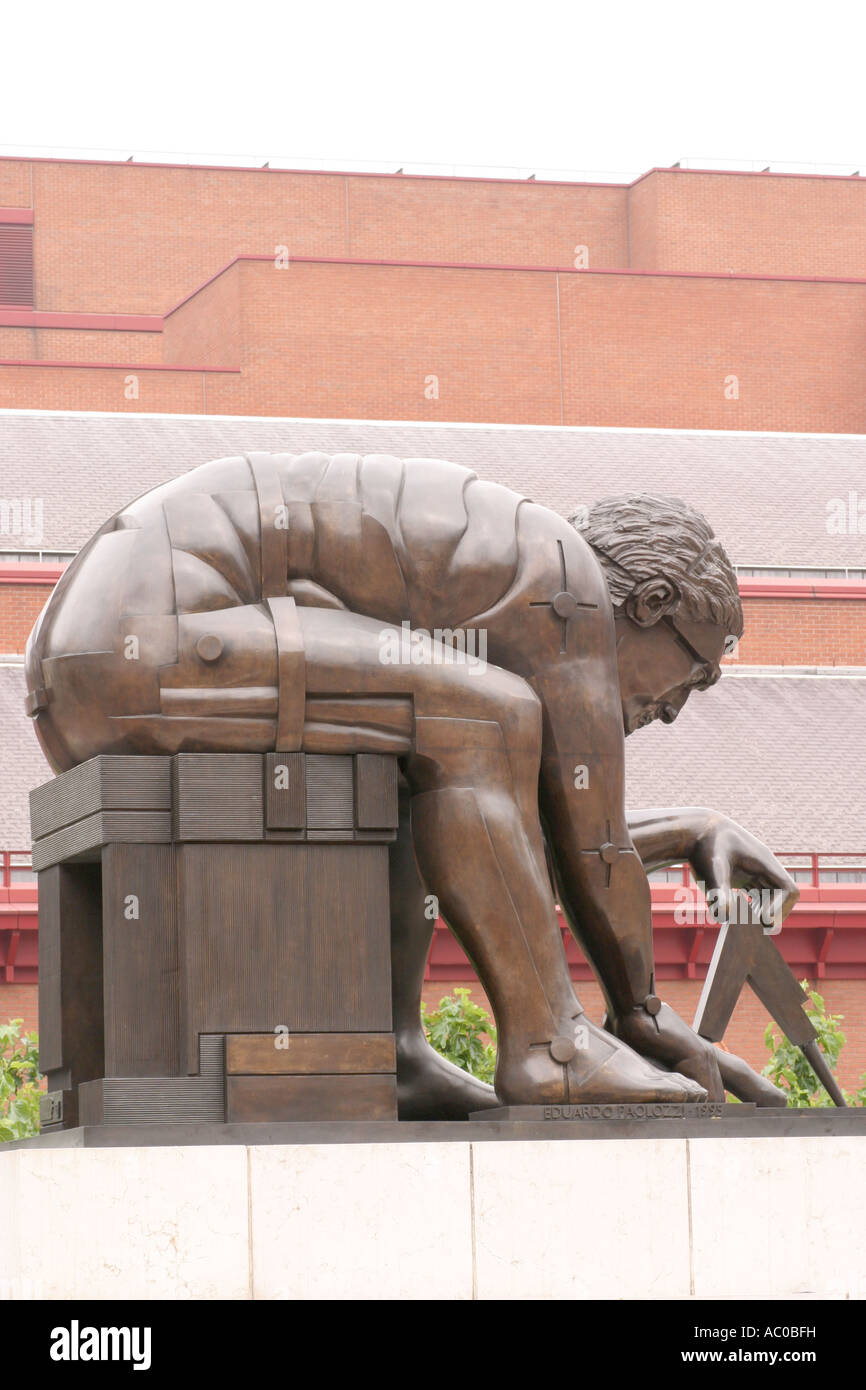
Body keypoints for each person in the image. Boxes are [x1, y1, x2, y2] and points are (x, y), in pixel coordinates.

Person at [26, 451, 795, 1112]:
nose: (671, 713)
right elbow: (591, 843)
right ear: (653, 603)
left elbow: (523, 833)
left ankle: (392, 1052)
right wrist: (641, 1010)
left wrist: (691, 830)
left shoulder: (519, 559)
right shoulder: (570, 586)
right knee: (485, 718)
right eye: (694, 675)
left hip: (91, 662)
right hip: (148, 641)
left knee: (431, 748)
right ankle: (553, 1050)